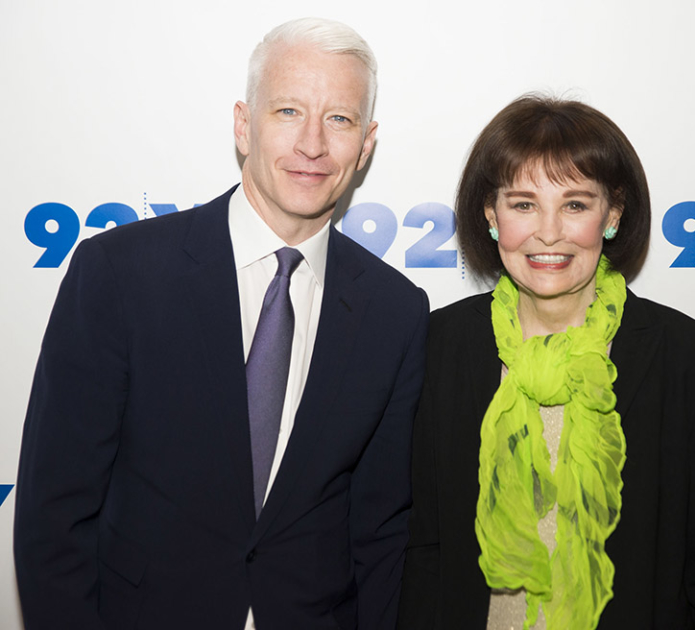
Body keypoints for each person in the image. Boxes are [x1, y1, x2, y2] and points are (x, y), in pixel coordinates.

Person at [14, 17, 428, 630]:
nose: (312, 144)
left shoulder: (395, 311)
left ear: (365, 145)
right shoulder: (120, 274)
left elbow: (381, 531)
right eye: (288, 111)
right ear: (243, 124)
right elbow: (55, 512)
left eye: (338, 119)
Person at [397, 95, 695, 629]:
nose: (549, 232)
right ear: (490, 215)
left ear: (612, 214)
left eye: (574, 204)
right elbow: (422, 553)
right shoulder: (438, 345)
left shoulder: (688, 358)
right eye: (523, 204)